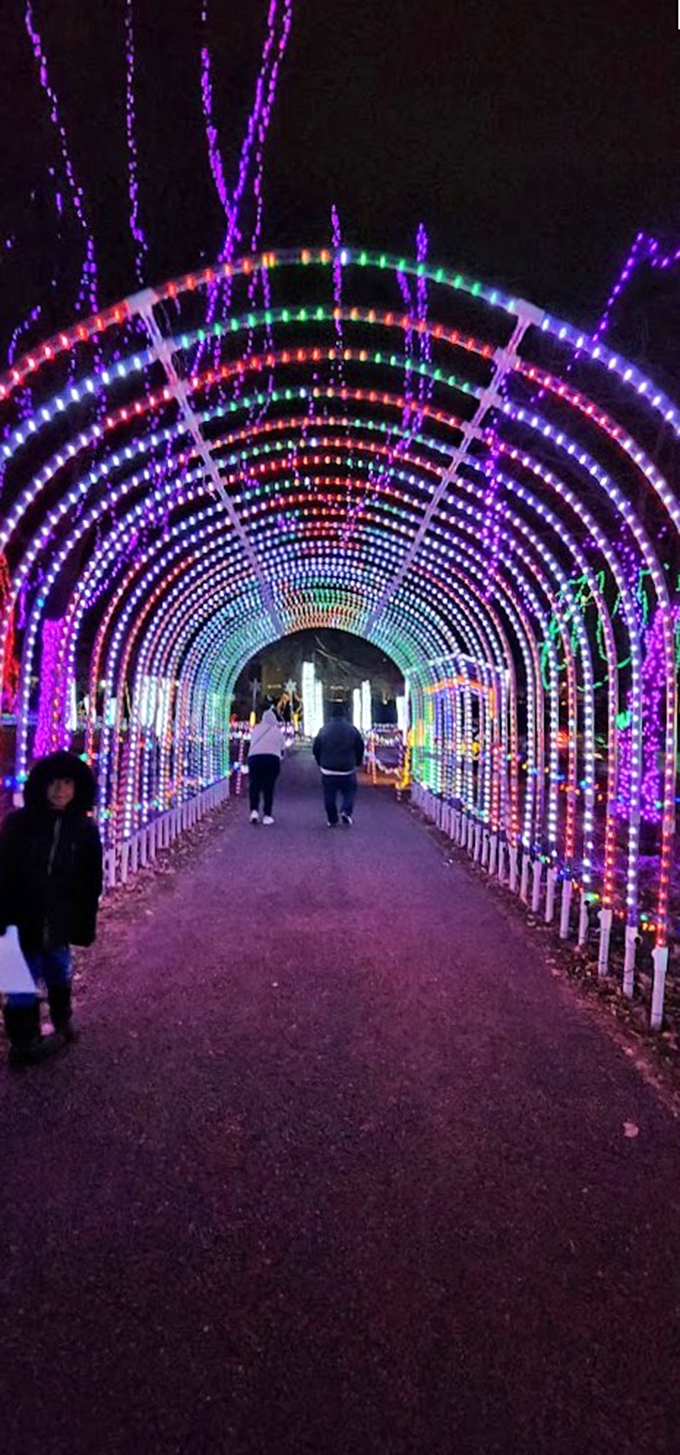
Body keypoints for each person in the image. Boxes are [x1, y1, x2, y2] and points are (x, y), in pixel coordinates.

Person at [0, 750, 103, 1066]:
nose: (60, 790)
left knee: (60, 971)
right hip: (16, 920)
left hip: (58, 919)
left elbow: (90, 878)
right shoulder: (18, 824)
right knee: (19, 984)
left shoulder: (84, 831)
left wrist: (84, 918)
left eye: (68, 782)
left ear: (78, 787)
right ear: (41, 785)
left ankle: (62, 1020)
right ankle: (23, 1042)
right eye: (54, 782)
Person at [312, 702, 364, 826]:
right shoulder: (352, 729)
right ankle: (346, 810)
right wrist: (358, 761)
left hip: (328, 768)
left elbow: (316, 748)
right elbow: (359, 746)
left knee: (329, 794)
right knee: (349, 791)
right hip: (347, 767)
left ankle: (332, 818)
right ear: (345, 715)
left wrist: (320, 762)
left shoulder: (323, 730)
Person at [247, 706, 284, 824]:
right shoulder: (277, 732)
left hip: (254, 759)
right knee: (269, 787)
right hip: (272, 760)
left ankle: (254, 811)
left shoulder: (256, 729)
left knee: (254, 785)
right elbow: (282, 747)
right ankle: (267, 814)